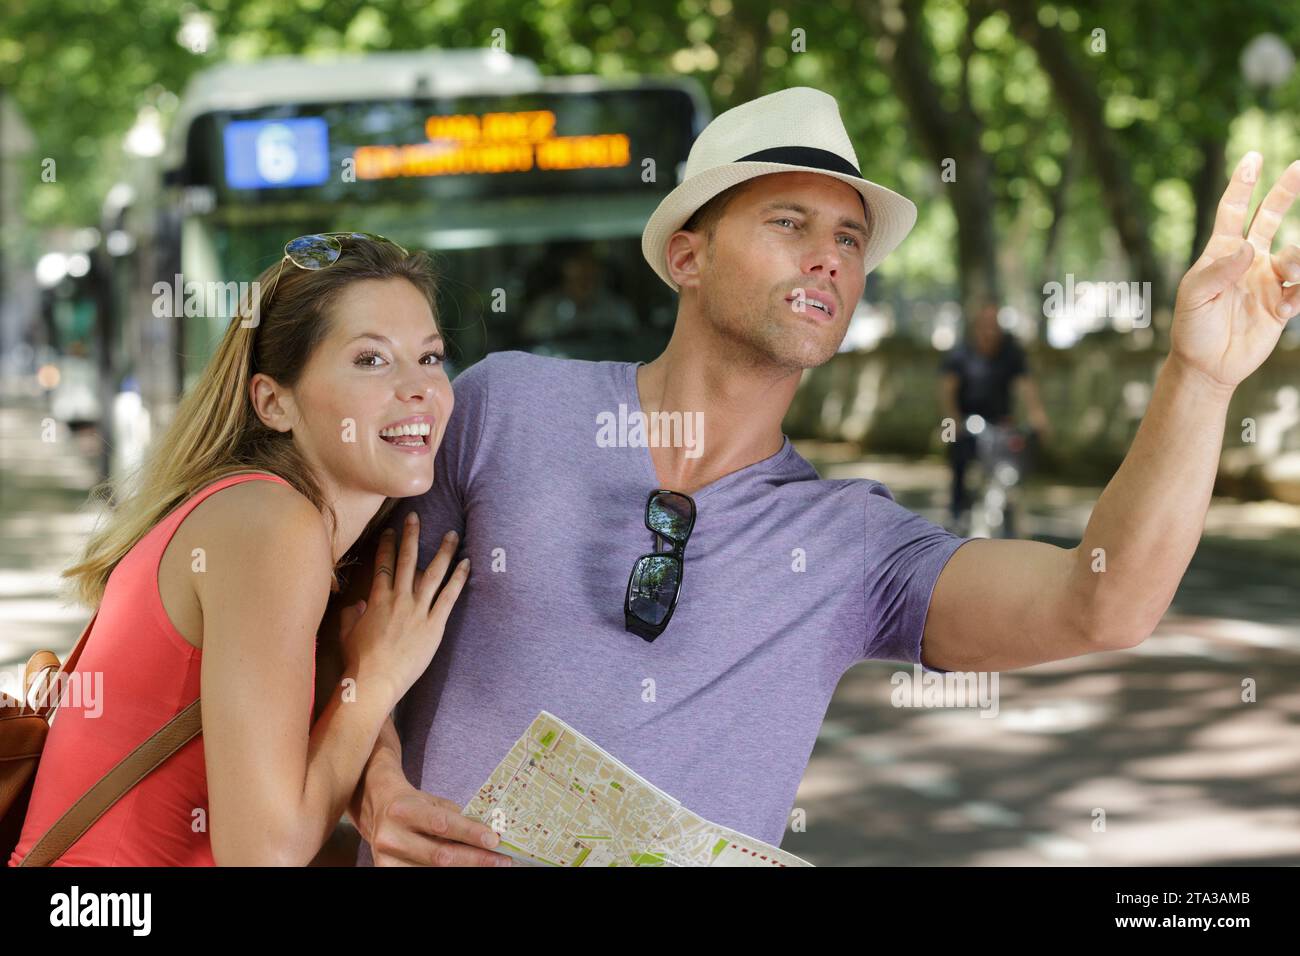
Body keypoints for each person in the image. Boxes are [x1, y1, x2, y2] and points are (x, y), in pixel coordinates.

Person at [328, 88, 1300, 865]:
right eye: (789, 222)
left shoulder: (853, 545)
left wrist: (1199, 378)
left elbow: (1105, 605)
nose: (828, 257)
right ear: (687, 253)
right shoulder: (501, 406)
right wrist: (372, 784)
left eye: (848, 238)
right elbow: (339, 621)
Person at [8, 234, 502, 866]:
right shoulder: (270, 524)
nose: (421, 389)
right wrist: (374, 681)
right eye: (372, 361)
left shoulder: (264, 519)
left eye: (431, 358)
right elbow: (262, 858)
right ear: (274, 402)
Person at [938, 300, 1051, 534]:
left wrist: (1038, 418)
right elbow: (947, 390)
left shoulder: (1010, 353)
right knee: (958, 454)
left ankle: (1009, 520)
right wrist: (952, 421)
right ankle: (958, 513)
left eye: (993, 325)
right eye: (984, 324)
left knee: (1011, 468)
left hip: (1001, 424)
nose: (989, 331)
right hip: (968, 423)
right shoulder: (961, 354)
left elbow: (1026, 387)